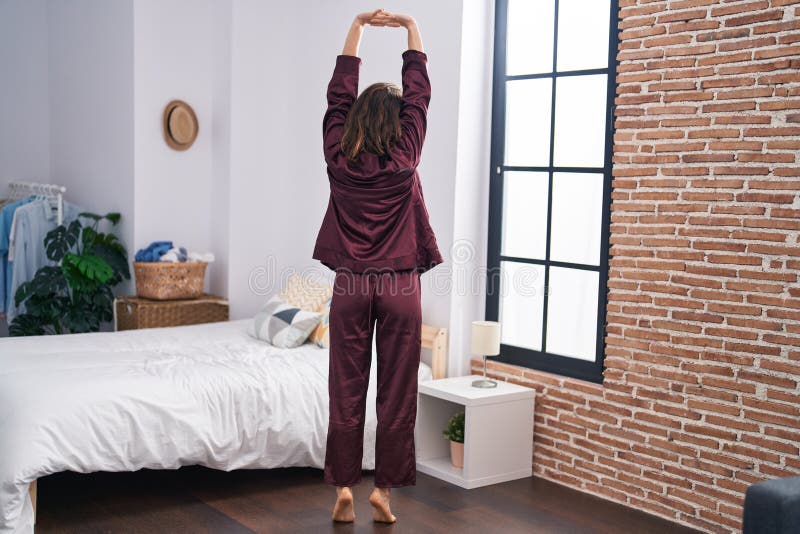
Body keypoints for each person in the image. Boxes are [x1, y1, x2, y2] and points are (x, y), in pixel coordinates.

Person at [312, 8, 443, 525]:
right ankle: (383, 492)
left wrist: (360, 27)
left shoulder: (337, 155)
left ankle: (344, 487)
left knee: (346, 387)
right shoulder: (407, 153)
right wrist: (410, 28)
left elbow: (338, 93)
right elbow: (419, 95)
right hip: (399, 285)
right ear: (398, 121)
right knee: (396, 390)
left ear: (358, 118)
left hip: (350, 284)